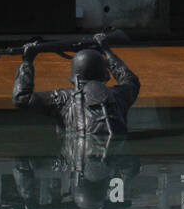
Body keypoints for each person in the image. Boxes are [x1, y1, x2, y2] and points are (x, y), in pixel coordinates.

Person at [12, 33, 140, 145]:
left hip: (77, 154)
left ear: (73, 77)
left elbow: (21, 98)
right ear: (105, 74)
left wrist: (27, 61)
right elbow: (130, 80)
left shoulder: (63, 98)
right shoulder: (119, 95)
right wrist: (107, 51)